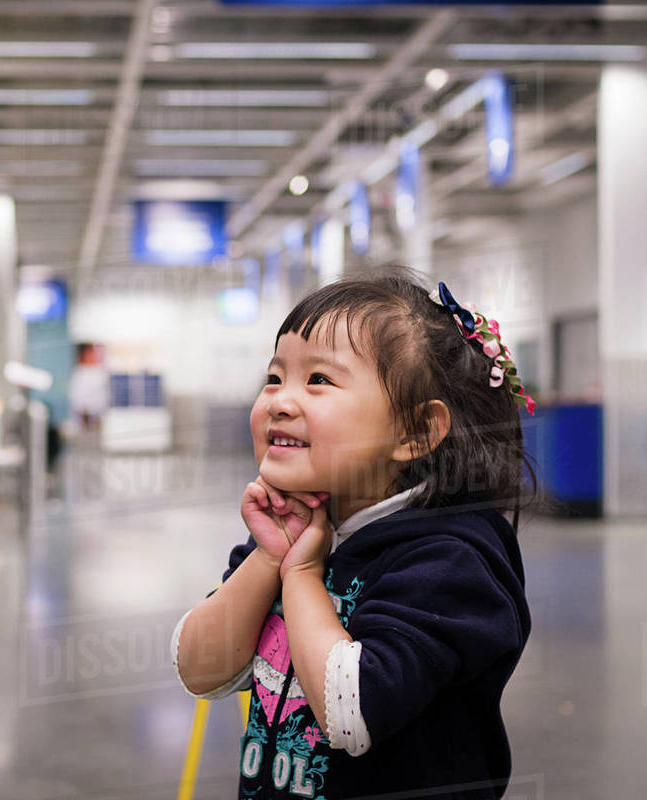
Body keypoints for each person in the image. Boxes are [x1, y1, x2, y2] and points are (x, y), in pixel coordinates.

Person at [172, 267, 537, 800]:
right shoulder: (298, 528)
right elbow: (201, 670)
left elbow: (351, 714)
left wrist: (299, 572)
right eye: (274, 378)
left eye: (318, 380)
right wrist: (268, 559)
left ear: (414, 432)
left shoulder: (450, 559)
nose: (280, 400)